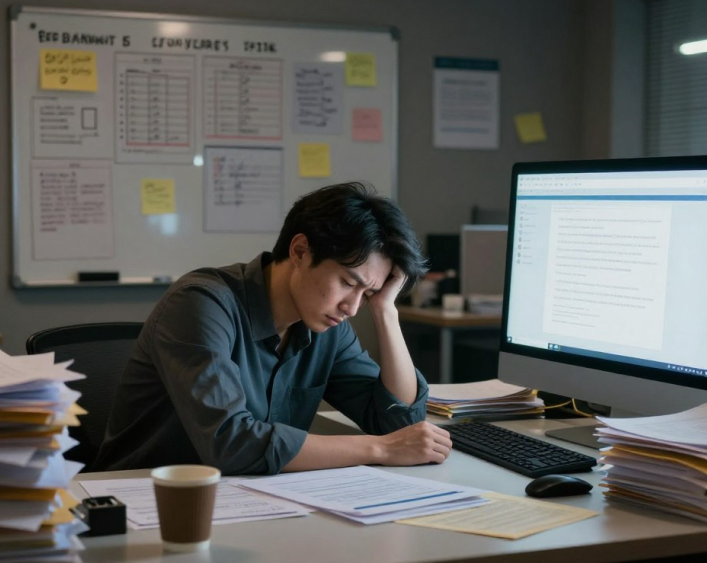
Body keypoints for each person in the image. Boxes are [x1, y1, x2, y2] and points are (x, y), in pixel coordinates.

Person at [94, 182, 451, 474]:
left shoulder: (329, 326)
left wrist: (386, 311)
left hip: (250, 502)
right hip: (145, 504)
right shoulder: (200, 304)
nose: (352, 307)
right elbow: (230, 444)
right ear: (299, 251)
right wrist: (379, 449)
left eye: (368, 293)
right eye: (347, 282)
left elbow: (399, 423)